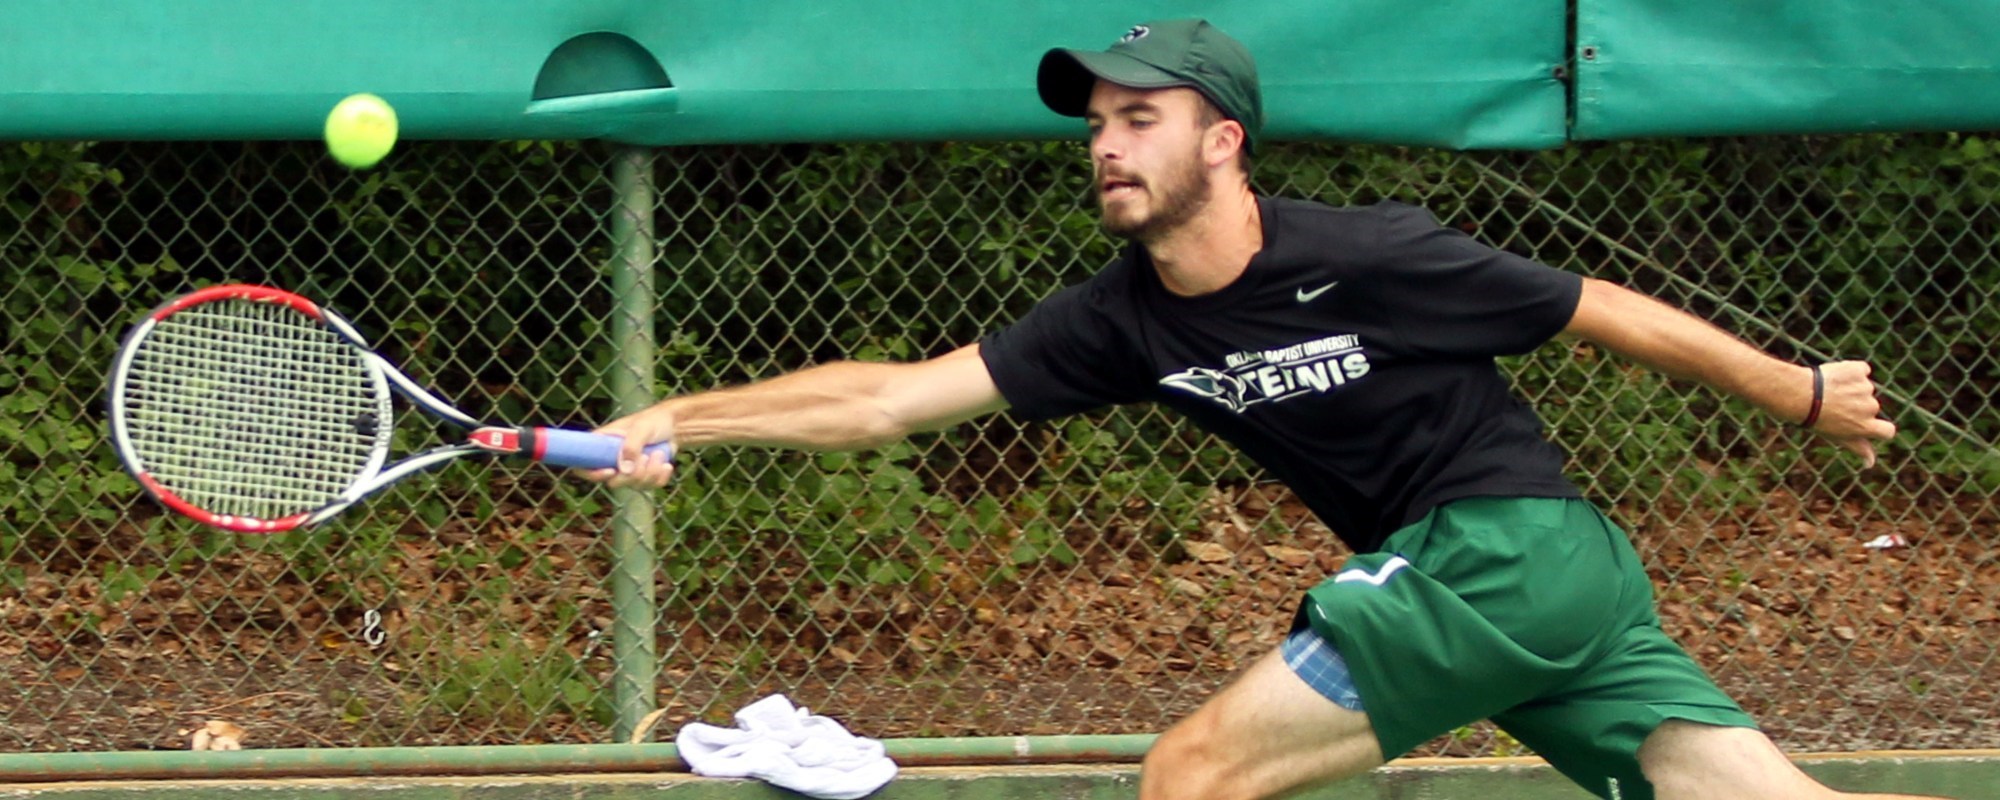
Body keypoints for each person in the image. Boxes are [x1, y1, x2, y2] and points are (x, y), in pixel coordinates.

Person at [586, 19, 1931, 800]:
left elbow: (1594, 308)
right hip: (1542, 593)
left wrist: (1796, 391)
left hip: (1504, 549)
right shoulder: (1117, 317)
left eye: (1140, 118)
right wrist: (679, 418)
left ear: (1222, 139)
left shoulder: (1373, 251)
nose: (1106, 144)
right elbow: (886, 401)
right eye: (1096, 124)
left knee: (1190, 777)